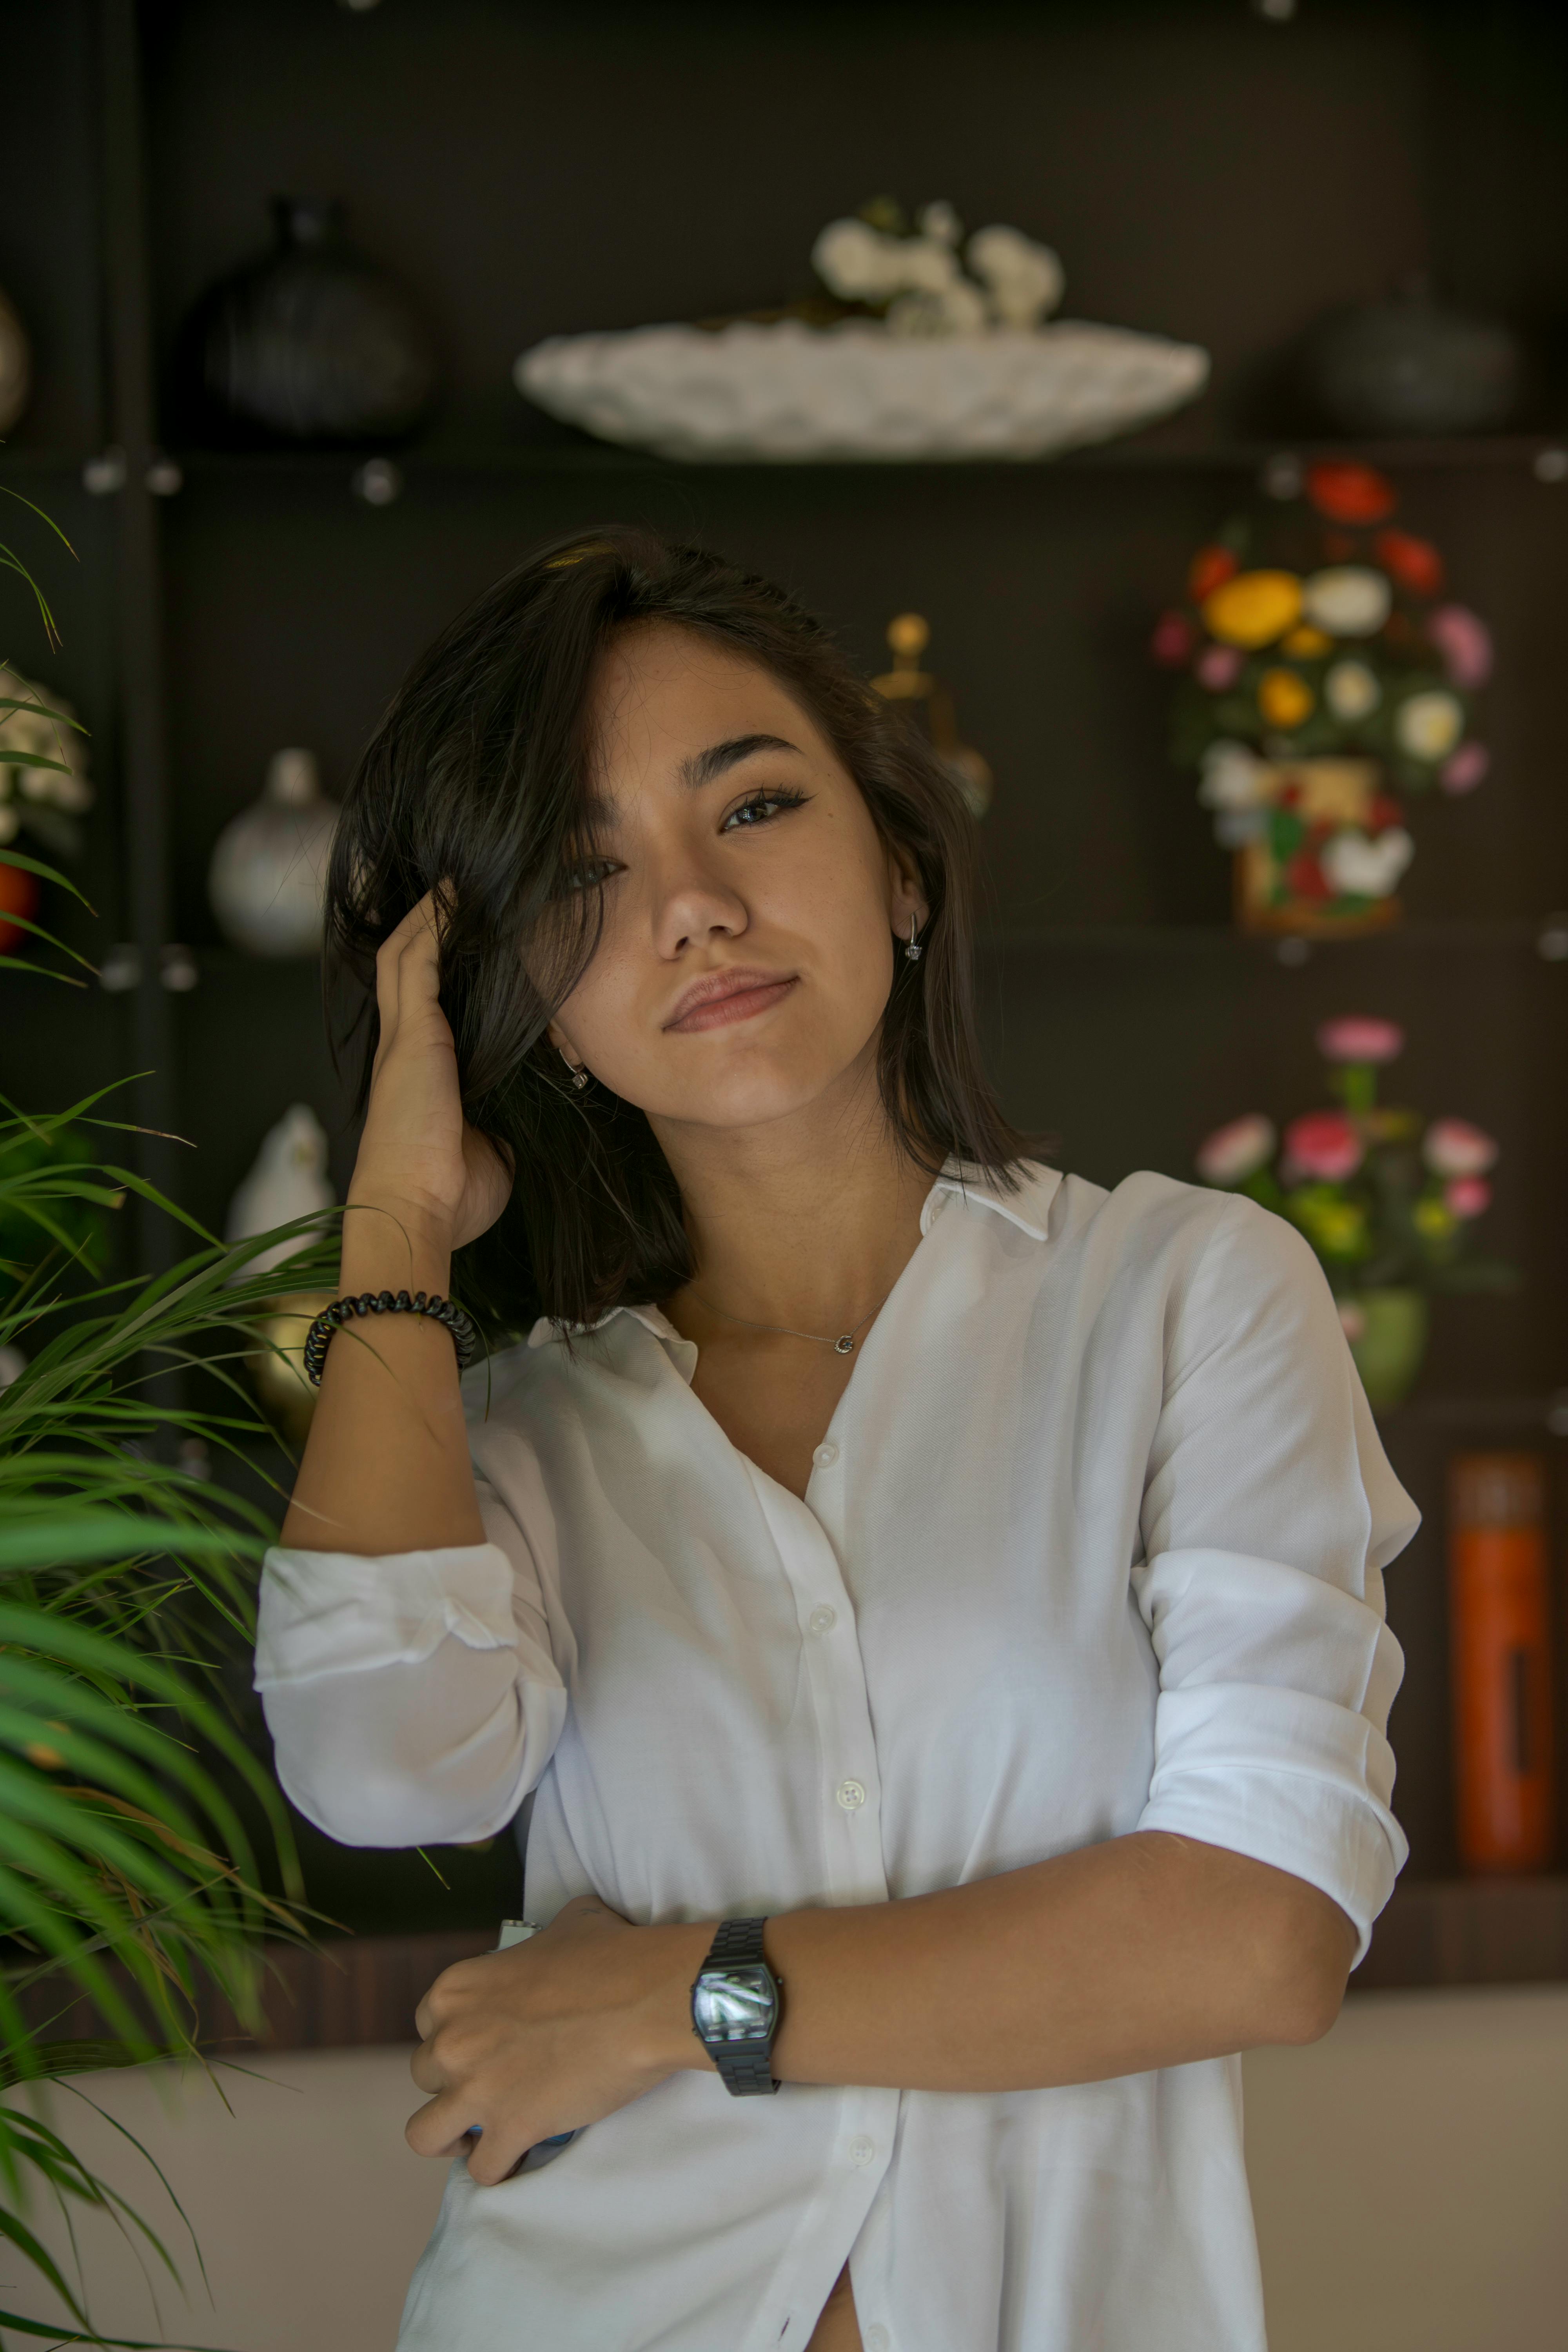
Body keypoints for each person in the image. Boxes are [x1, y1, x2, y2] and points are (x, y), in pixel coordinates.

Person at [256, 527, 1416, 2352]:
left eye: (752, 806)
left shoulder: (1187, 1294)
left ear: (895, 866)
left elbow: (1258, 1931)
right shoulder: (510, 1436)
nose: (691, 908)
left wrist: (668, 2003)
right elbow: (383, 1772)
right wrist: (393, 1234)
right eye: (583, 871)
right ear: (532, 1014)